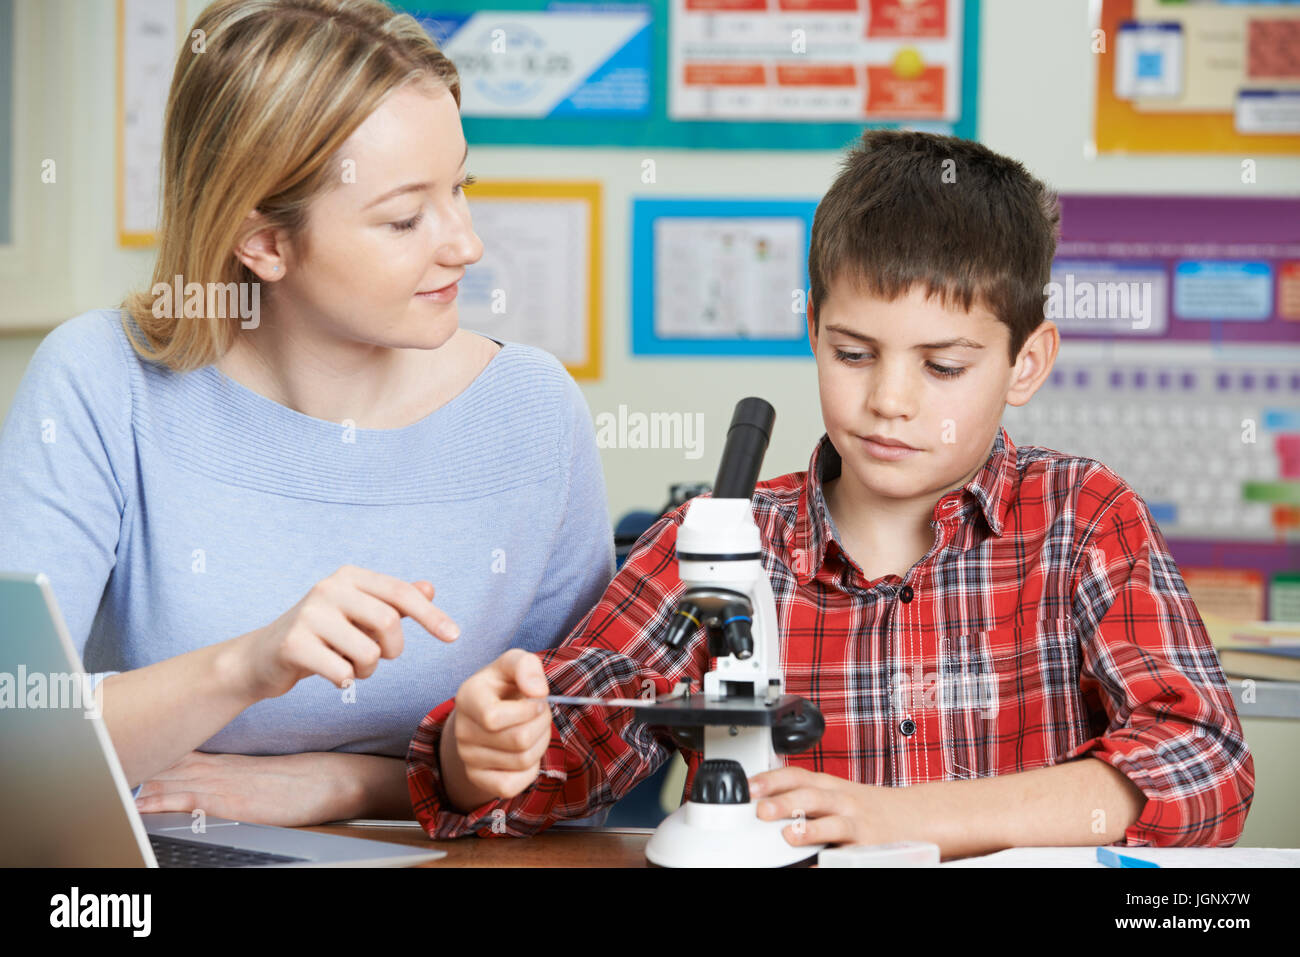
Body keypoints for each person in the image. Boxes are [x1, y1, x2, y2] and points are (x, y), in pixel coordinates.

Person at [407, 130, 1254, 855]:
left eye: (943, 365)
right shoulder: (720, 539)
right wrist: (482, 751)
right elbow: (574, 744)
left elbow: (1204, 763)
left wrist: (907, 819)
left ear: (1025, 362)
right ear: (812, 326)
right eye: (853, 353)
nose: (890, 399)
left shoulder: (1083, 518)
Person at [0, 0, 613, 827]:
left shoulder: (534, 413)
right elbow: (16, 736)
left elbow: (580, 756)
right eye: (404, 218)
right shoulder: (102, 380)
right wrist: (249, 664)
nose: (465, 243)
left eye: (460, 186)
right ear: (266, 244)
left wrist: (339, 782)